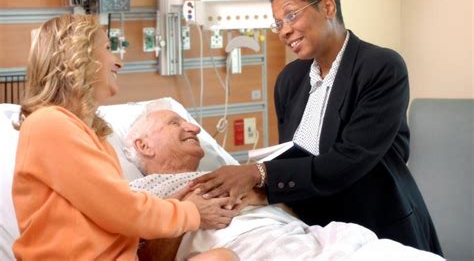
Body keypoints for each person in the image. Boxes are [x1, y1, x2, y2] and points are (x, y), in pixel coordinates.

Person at [190, 0, 443, 255]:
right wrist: (261, 193)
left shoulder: (381, 67)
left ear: (327, 6)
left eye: (291, 15)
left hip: (378, 226)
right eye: (277, 23)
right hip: (317, 232)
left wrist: (259, 174)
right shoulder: (289, 81)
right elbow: (292, 156)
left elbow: (350, 160)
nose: (284, 30)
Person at [11, 14, 237, 260]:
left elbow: (111, 211)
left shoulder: (93, 135)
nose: (118, 62)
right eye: (108, 48)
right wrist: (191, 213)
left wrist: (171, 206)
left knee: (221, 258)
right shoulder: (48, 125)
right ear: (79, 57)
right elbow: (120, 209)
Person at [124, 104, 443, 261]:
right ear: (144, 145)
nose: (193, 127)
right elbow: (145, 253)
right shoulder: (140, 193)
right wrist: (189, 211)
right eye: (174, 122)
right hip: (248, 251)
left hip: (314, 242)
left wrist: (264, 195)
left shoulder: (229, 173)